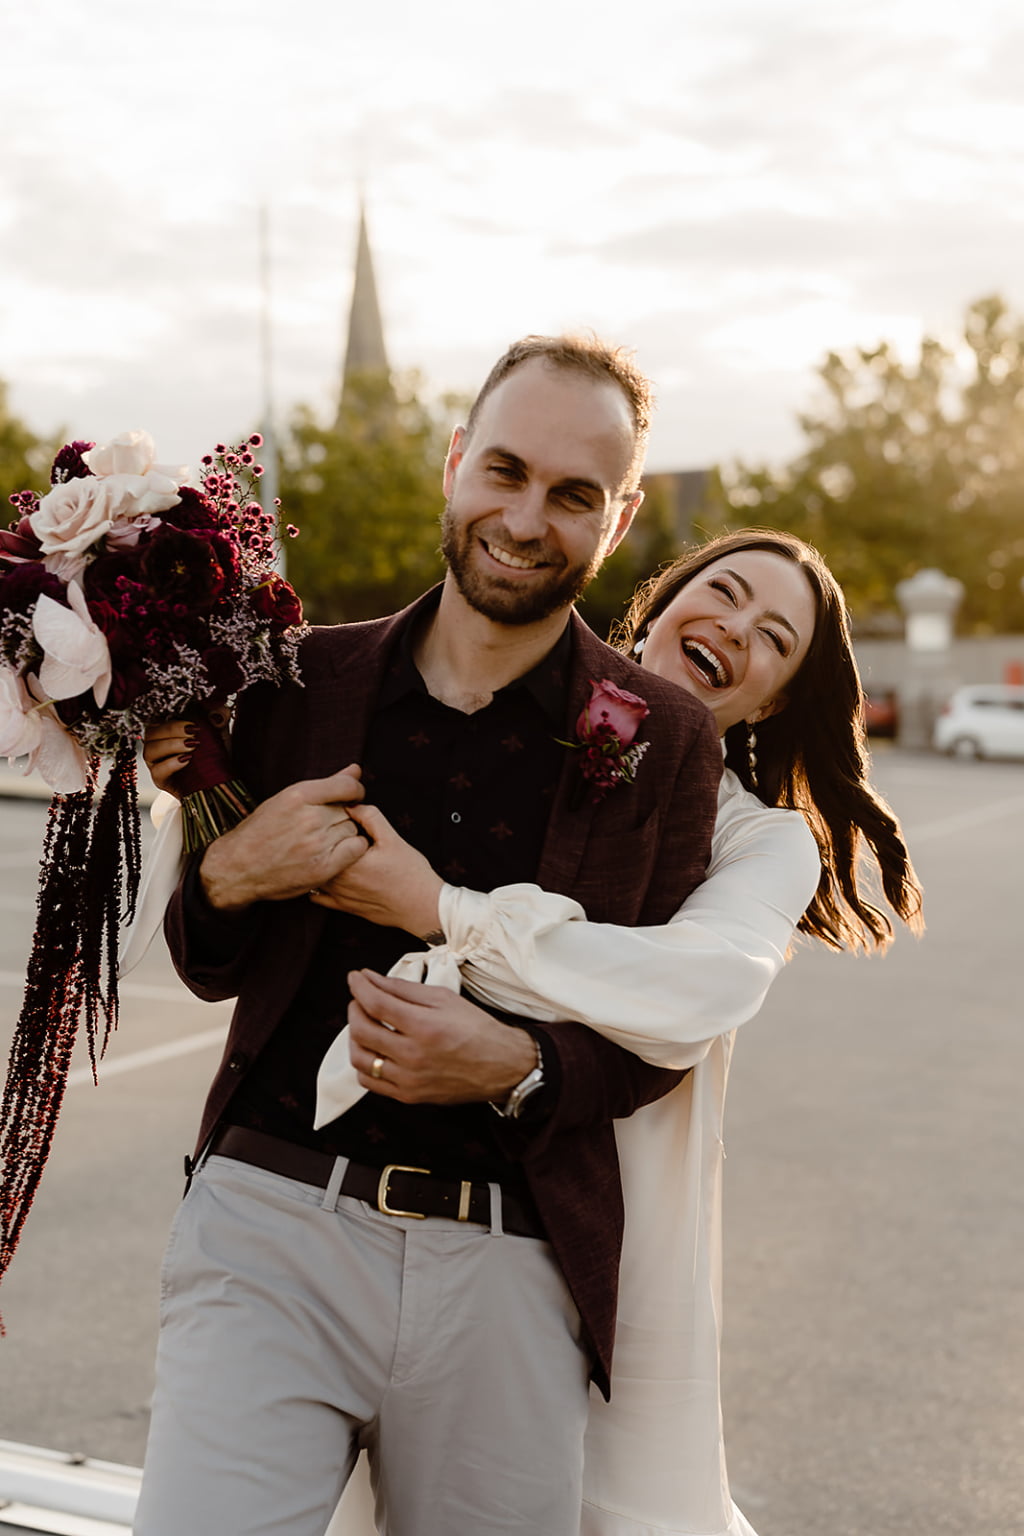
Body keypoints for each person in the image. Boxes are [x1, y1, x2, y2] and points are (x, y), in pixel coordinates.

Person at [133, 334, 724, 1536]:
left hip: (512, 1264)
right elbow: (206, 959)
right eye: (503, 469)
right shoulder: (291, 681)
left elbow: (663, 1020)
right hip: (271, 1222)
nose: (524, 515)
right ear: (454, 465)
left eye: (572, 494)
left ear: (613, 526)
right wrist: (230, 873)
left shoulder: (663, 736)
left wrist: (520, 1066)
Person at [288, 528, 923, 1536]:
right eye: (722, 590)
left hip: (625, 1208)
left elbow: (697, 984)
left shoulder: (759, 837)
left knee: (617, 1500)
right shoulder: (505, 727)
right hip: (423, 1197)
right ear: (661, 601)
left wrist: (447, 913)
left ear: (767, 702)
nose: (735, 628)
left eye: (773, 638)